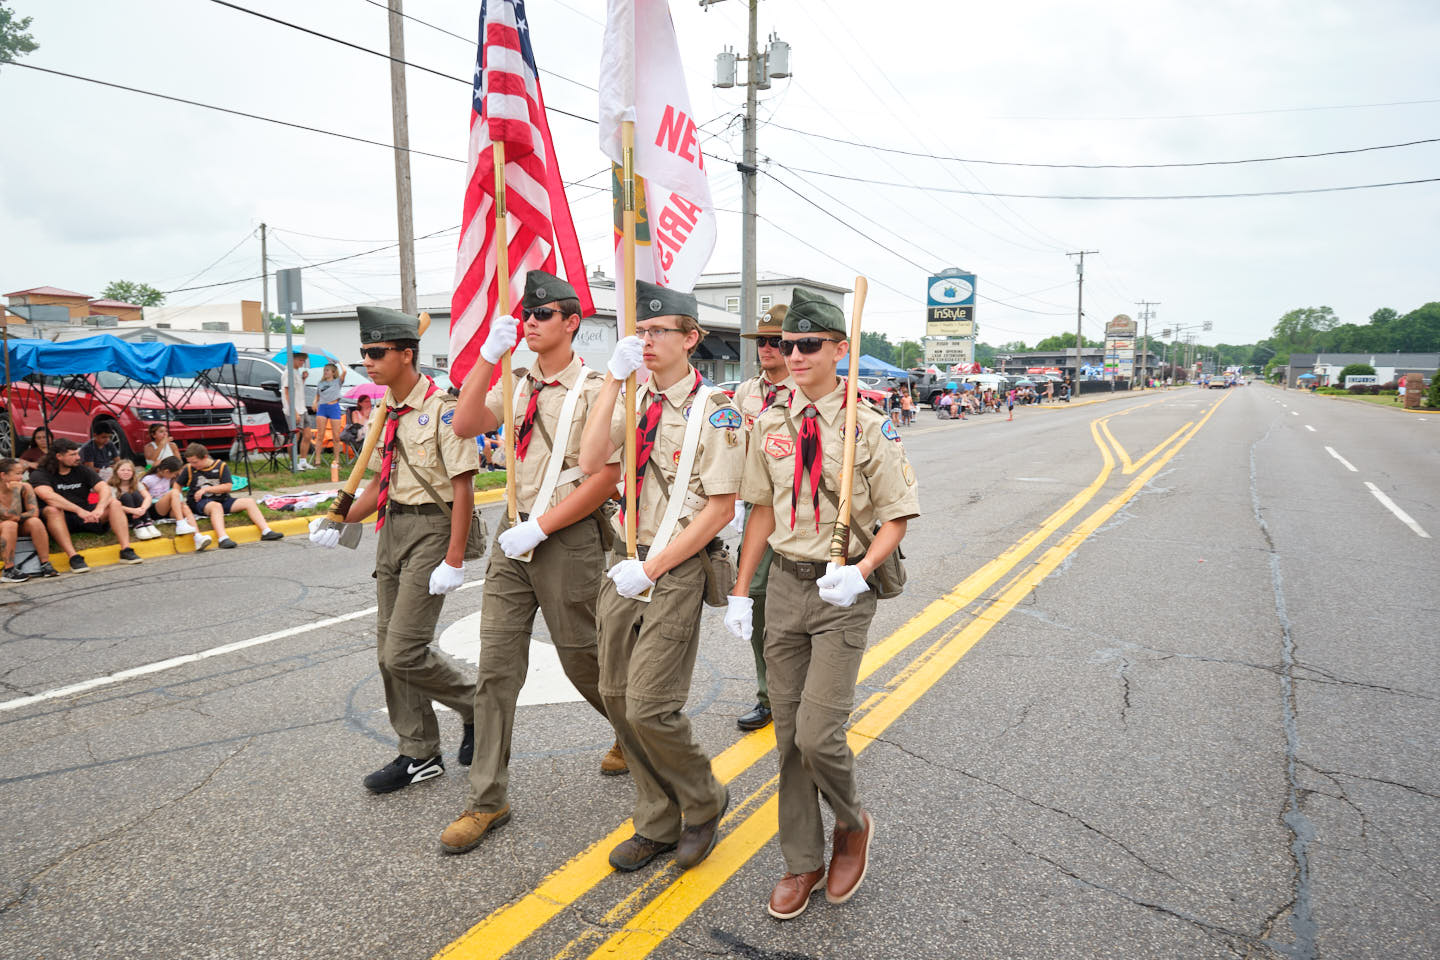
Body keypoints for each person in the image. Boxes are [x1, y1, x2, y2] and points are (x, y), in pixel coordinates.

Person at [724, 287, 920, 920]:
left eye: (810, 344)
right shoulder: (770, 419)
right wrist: (739, 590)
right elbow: (759, 508)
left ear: (841, 349)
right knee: (787, 737)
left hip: (841, 590)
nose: (795, 354)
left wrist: (862, 572)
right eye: (789, 344)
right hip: (784, 582)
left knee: (818, 733)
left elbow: (896, 517)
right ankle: (801, 859)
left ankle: (852, 821)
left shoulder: (867, 423)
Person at [438, 270, 627, 856]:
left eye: (544, 315)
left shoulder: (596, 389)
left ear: (572, 322)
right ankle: (487, 798)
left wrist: (542, 528)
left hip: (565, 538)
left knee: (582, 661)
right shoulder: (515, 383)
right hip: (511, 536)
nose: (532, 322)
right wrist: (486, 358)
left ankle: (641, 739)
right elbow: (466, 424)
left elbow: (607, 477)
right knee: (496, 669)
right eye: (527, 315)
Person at [577, 280, 741, 874]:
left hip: (674, 567)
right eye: (641, 331)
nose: (645, 340)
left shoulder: (715, 411)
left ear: (691, 339)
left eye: (658, 331)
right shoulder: (633, 399)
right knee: (617, 700)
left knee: (651, 706)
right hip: (625, 559)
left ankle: (703, 802)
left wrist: (652, 565)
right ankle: (657, 819)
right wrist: (615, 381)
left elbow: (720, 509)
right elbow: (592, 461)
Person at [309, 305, 478, 794]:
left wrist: (453, 557)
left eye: (377, 352)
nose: (368, 360)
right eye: (363, 352)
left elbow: (463, 489)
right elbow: (379, 483)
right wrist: (337, 521)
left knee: (404, 650)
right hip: (393, 529)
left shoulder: (445, 408)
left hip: (433, 530)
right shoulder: (385, 410)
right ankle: (419, 753)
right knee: (389, 654)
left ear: (407, 354)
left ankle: (475, 704)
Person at [730, 304, 795, 733]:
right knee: (754, 597)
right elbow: (733, 446)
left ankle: (801, 692)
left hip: (798, 510)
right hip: (756, 508)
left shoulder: (806, 389)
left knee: (799, 607)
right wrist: (734, 502)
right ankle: (768, 694)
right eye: (763, 342)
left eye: (777, 342)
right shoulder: (746, 393)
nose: (767, 349)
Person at [30, 439, 141, 571]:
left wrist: (99, 508)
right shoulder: (40, 474)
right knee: (52, 509)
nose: (78, 457)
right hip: (60, 518)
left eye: (77, 453)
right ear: (59, 456)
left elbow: (103, 488)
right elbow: (49, 497)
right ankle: (73, 557)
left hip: (86, 515)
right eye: (73, 455)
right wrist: (78, 510)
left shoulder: (82, 470)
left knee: (115, 503)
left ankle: (126, 549)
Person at [178, 443, 284, 549]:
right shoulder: (189, 469)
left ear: (205, 457)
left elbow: (228, 487)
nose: (192, 465)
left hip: (222, 499)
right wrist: (179, 500)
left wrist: (206, 489)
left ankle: (266, 531)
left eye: (195, 462)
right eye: (190, 462)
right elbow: (177, 485)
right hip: (200, 502)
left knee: (249, 502)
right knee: (216, 506)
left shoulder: (221, 466)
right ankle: (223, 538)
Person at [0, 458, 57, 580]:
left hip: (14, 526)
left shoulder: (25, 487)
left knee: (35, 522)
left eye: (22, 473)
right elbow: (11, 516)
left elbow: (34, 513)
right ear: (3, 475)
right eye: (17, 474)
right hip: (4, 528)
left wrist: (18, 517)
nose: (21, 478)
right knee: (10, 524)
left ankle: (45, 564)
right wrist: (15, 492)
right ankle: (9, 570)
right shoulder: (17, 489)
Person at [142, 456, 211, 551]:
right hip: (154, 509)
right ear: (166, 471)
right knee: (174, 492)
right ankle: (180, 523)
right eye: (174, 474)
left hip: (166, 508)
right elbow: (143, 498)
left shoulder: (167, 478)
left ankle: (197, 537)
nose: (175, 476)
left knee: (185, 507)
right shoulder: (148, 479)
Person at [110, 459, 161, 541]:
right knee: (126, 496)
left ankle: (148, 523)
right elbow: (112, 505)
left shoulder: (136, 483)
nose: (126, 472)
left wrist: (142, 509)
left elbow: (148, 497)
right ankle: (137, 525)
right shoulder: (111, 486)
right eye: (122, 470)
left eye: (129, 470)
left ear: (133, 472)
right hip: (125, 514)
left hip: (140, 512)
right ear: (116, 471)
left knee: (136, 494)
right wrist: (133, 510)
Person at [280, 349, 314, 471]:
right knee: (295, 437)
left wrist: (303, 379)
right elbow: (287, 393)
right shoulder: (288, 373)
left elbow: (297, 390)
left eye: (303, 361)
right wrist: (294, 412)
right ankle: (293, 462)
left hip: (302, 408)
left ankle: (303, 461)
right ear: (293, 359)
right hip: (293, 410)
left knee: (308, 435)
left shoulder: (296, 372)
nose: (302, 363)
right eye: (300, 360)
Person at [314, 363, 346, 465]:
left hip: (334, 407)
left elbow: (345, 371)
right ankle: (317, 459)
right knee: (320, 435)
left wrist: (339, 362)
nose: (325, 372)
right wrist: (315, 402)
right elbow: (317, 396)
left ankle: (336, 459)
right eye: (325, 370)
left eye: (327, 370)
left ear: (333, 372)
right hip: (322, 408)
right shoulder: (321, 383)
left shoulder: (337, 382)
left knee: (336, 436)